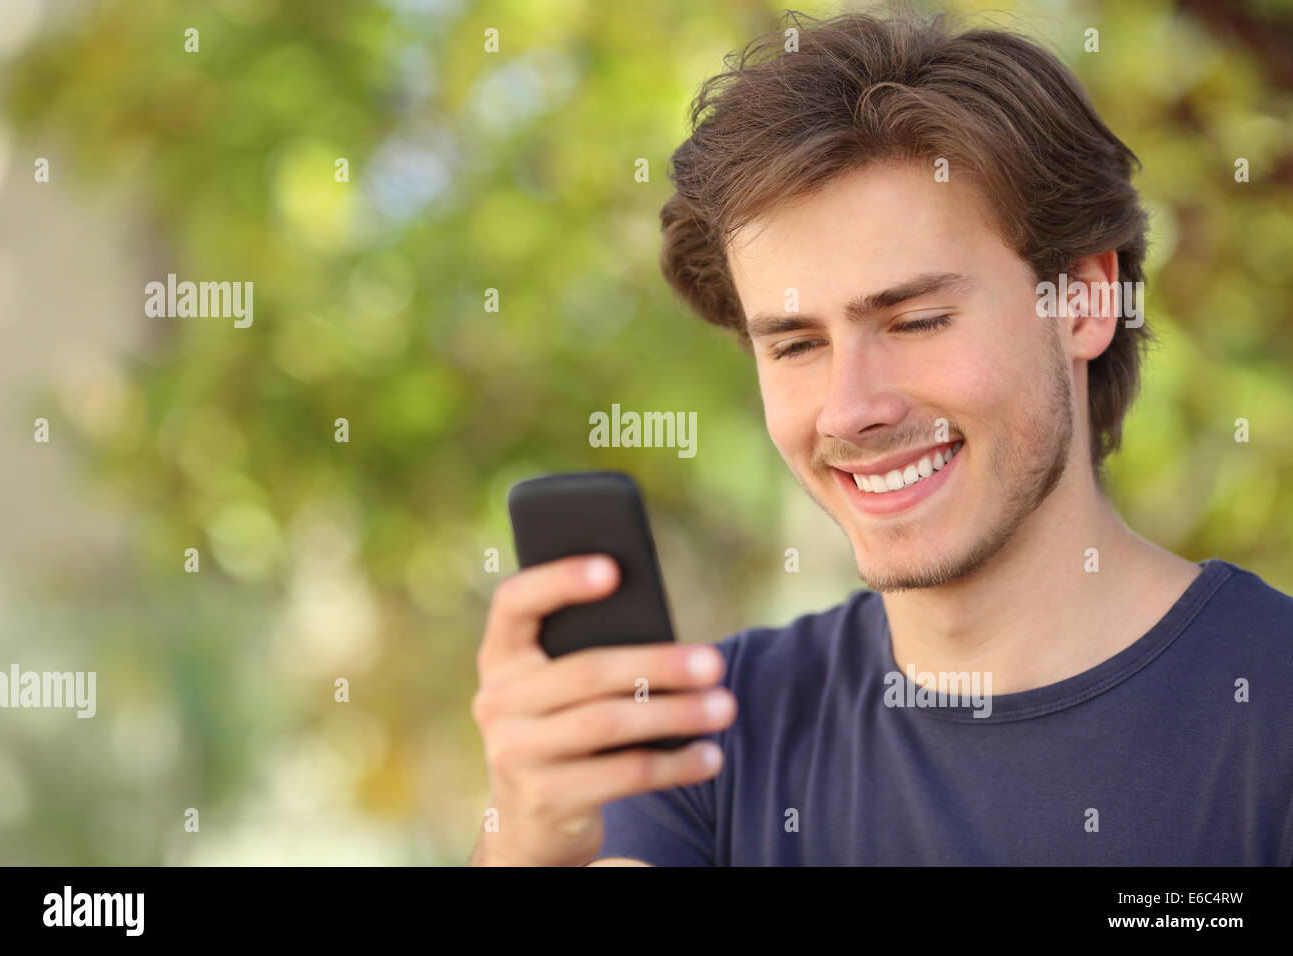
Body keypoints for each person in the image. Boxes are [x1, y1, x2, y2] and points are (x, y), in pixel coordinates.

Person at [468, 9, 1293, 866]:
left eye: (917, 320)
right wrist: (525, 845)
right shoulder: (702, 739)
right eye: (795, 344)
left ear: (1084, 300)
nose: (849, 409)